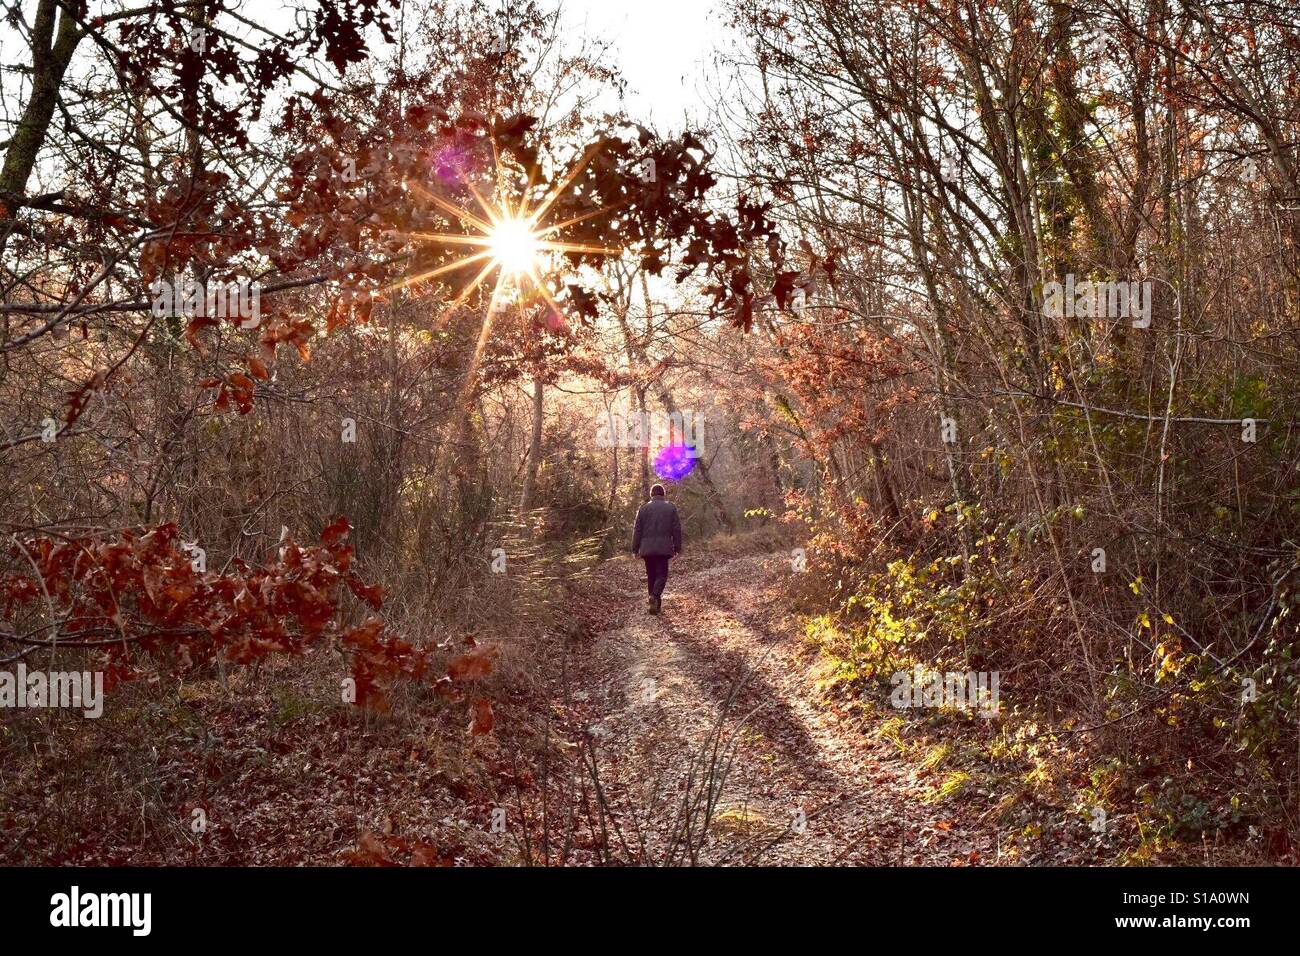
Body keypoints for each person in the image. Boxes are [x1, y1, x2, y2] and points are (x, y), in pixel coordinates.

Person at [631, 484, 682, 615]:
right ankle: (654, 596)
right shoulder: (671, 508)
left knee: (651, 576)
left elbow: (637, 530)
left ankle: (654, 605)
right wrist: (677, 547)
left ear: (651, 494)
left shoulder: (643, 509)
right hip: (664, 548)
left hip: (647, 549)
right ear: (663, 494)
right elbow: (676, 529)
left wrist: (635, 549)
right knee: (662, 575)